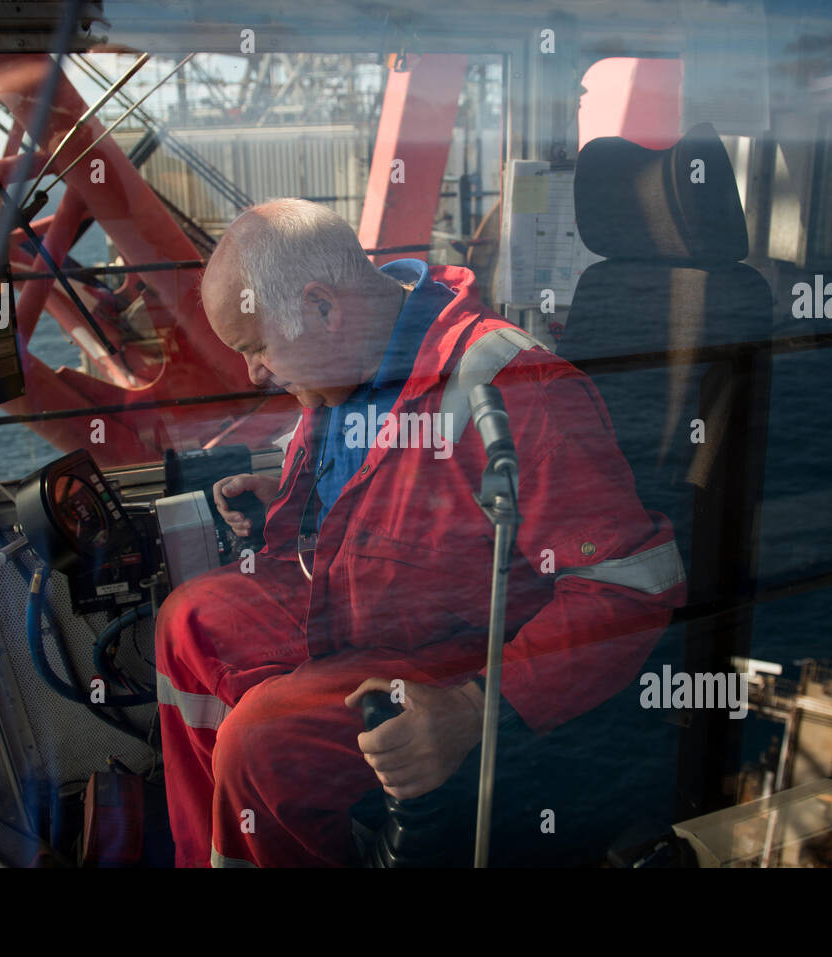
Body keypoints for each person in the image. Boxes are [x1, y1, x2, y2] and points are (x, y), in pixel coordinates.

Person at [153, 198, 685, 867]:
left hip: (460, 653)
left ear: (322, 308)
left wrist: (474, 708)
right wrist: (287, 507)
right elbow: (369, 499)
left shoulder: (512, 382)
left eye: (257, 347)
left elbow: (631, 586)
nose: (252, 373)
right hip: (360, 611)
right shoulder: (340, 371)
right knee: (188, 622)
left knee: (261, 745)